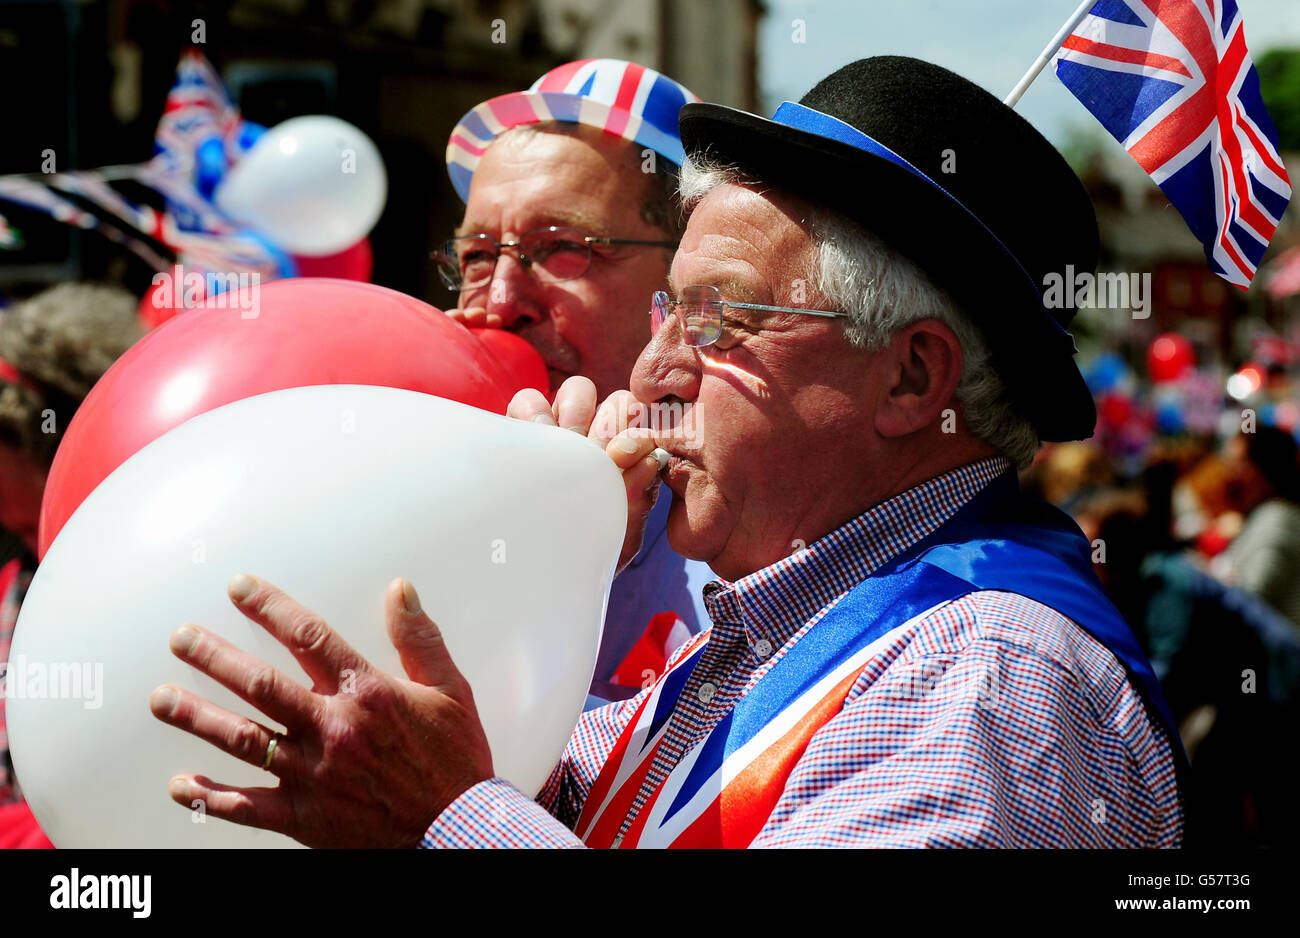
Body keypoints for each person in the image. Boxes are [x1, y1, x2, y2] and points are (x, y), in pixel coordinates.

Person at [150, 57, 1185, 847]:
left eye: (718, 319)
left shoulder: (984, 678)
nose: (649, 375)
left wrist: (445, 817)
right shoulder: (778, 622)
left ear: (912, 379)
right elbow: (553, 790)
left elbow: (474, 800)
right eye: (663, 314)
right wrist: (516, 572)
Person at [439, 60, 714, 703]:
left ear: (690, 281)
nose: (500, 302)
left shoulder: (753, 534)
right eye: (477, 255)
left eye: (565, 247)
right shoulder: (409, 470)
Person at [0, 282, 141, 842]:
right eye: (14, 531)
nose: (33, 548)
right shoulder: (15, 593)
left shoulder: (140, 607)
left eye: (31, 523)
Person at [1214, 426, 1300, 629]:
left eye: (1239, 465)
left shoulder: (1279, 520)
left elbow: (1252, 597)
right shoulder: (1266, 515)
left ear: (1265, 469)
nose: (1230, 475)